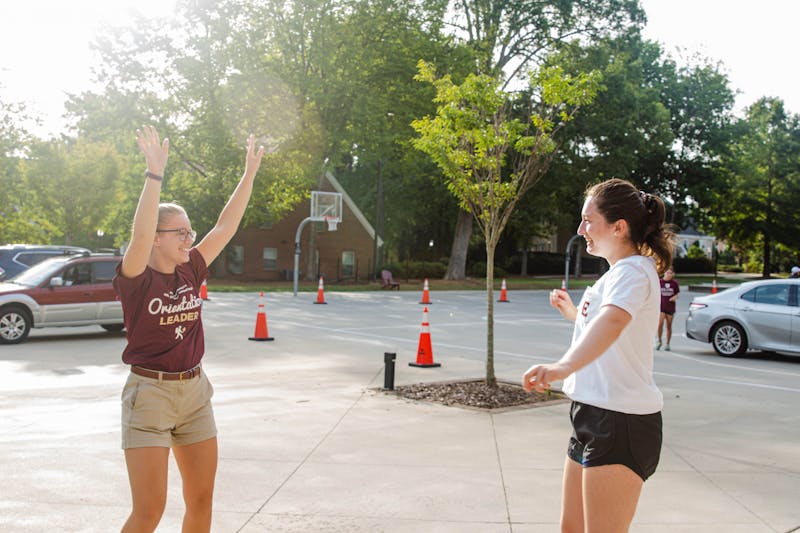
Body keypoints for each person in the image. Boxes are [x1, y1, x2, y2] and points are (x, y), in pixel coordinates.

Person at [114, 125, 264, 532]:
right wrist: (154, 175)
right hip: (150, 396)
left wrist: (248, 174)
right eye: (179, 232)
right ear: (157, 240)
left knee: (201, 501)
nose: (189, 238)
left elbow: (224, 228)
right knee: (149, 511)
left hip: (195, 393)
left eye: (188, 231)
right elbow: (139, 232)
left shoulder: (191, 267)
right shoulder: (136, 277)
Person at [522, 178, 673, 533]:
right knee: (571, 529)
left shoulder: (634, 271)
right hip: (590, 412)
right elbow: (609, 325)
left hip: (620, 421)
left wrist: (562, 366)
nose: (580, 229)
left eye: (588, 220)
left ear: (619, 227)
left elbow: (613, 322)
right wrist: (575, 315)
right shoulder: (618, 274)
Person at [656, 267, 679, 351]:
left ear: (673, 274)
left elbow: (677, 294)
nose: (669, 275)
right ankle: (659, 341)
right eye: (667, 273)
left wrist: (674, 297)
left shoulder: (674, 283)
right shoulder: (659, 282)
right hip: (661, 307)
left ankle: (668, 344)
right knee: (660, 324)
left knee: (669, 326)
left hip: (670, 307)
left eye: (670, 273)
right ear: (664, 273)